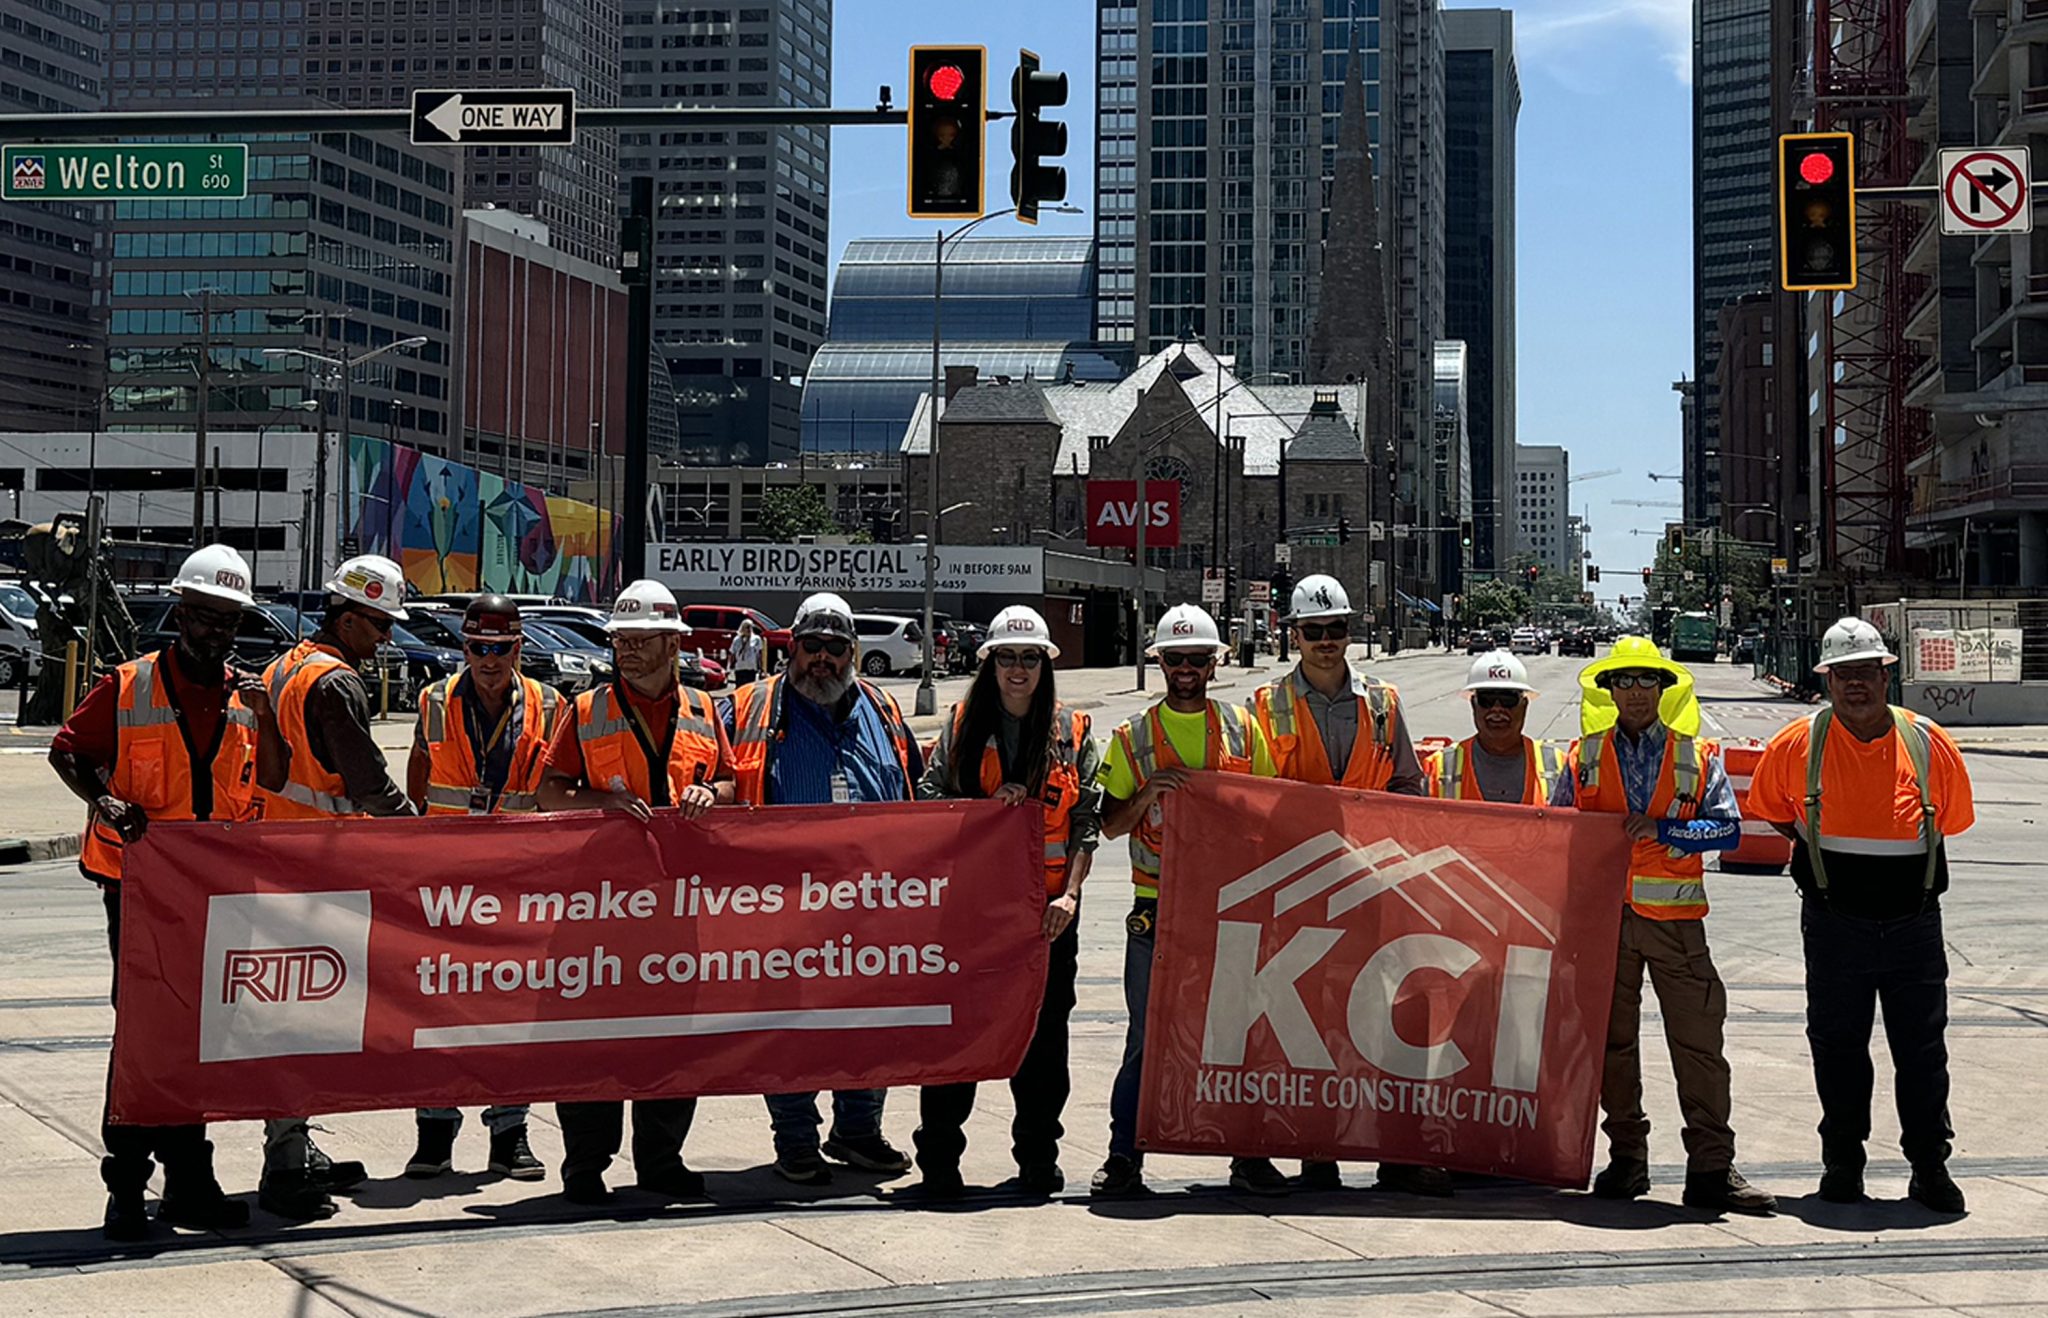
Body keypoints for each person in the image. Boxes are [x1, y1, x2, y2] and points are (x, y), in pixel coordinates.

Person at [48, 545, 270, 1240]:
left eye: (229, 622)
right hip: (137, 887)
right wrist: (104, 803)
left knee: (195, 1037)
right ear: (181, 612)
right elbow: (69, 752)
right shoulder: (127, 684)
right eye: (206, 618)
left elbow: (261, 782)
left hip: (212, 893)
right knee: (145, 1035)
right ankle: (126, 1186)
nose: (217, 632)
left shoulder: (243, 697)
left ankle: (189, 1182)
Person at [1747, 618, 1975, 1213]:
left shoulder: (1928, 742)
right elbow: (1773, 809)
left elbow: (1949, 821)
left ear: (1885, 676)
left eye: (1866, 673)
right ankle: (1842, 1164)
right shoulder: (1797, 744)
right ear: (1827, 680)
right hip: (1835, 922)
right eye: (1844, 674)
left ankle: (1930, 1167)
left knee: (1921, 1050)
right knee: (1838, 1046)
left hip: (1913, 922)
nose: (1856, 686)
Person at [1549, 636, 1775, 1214]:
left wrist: (1667, 831)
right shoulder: (1582, 758)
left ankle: (1711, 1169)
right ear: (1608, 690)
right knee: (1611, 1046)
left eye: (1647, 681)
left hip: (1676, 926)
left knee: (1699, 1045)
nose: (1635, 691)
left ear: (1664, 688)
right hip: (1603, 927)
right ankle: (1627, 1160)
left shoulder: (1697, 757)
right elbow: (1555, 834)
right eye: (1623, 681)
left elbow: (1726, 831)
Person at [1249, 575, 1445, 1198]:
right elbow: (1251, 796)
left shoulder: (1383, 703)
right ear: (1294, 635)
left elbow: (1410, 787)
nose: (1327, 642)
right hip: (1299, 892)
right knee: (1302, 1026)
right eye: (1314, 631)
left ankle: (1396, 1151)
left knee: (1383, 1023)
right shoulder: (1265, 705)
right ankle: (1315, 1152)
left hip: (1370, 888)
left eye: (1337, 629)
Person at [537, 578, 726, 1206]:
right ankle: (585, 1166)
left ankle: (661, 1162)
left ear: (674, 644)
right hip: (603, 911)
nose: (629, 654)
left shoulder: (703, 708)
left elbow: (731, 787)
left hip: (678, 910)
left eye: (643, 642)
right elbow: (549, 791)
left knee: (673, 1039)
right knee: (591, 1040)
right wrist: (603, 803)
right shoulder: (586, 709)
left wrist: (711, 795)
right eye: (622, 642)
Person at [727, 591, 922, 1185]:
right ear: (791, 647)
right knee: (788, 1032)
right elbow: (711, 785)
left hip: (871, 911)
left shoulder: (884, 711)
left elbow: (920, 791)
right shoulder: (748, 710)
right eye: (810, 646)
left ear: (853, 652)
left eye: (836, 648)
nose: (822, 659)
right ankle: (796, 1140)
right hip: (781, 912)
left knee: (870, 1026)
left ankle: (857, 1130)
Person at [1092, 603, 1282, 1199]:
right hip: (1156, 911)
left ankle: (1247, 1156)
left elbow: (1273, 809)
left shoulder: (1244, 730)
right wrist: (1148, 793)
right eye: (1175, 659)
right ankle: (1124, 1156)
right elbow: (1110, 825)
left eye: (1197, 659)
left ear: (1214, 663)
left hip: (1227, 909)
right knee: (1146, 1039)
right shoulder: (1133, 739)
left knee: (1234, 1038)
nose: (1186, 669)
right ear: (1160, 663)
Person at [912, 605, 1101, 1200]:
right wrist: (988, 809)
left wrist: (1070, 896)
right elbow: (926, 800)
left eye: (1029, 658)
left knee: (1045, 1048)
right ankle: (940, 1161)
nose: (1017, 669)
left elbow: (1086, 824)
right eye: (1006, 658)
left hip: (1047, 920)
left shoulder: (1072, 732)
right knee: (958, 1042)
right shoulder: (963, 724)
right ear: (988, 664)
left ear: (1045, 666)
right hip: (973, 919)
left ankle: (1038, 1159)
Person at [258, 552, 417, 1219]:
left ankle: (295, 1146)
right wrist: (421, 837)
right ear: (348, 617)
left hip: (275, 862)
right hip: (316, 870)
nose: (385, 639)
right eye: (378, 626)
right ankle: (286, 1163)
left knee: (290, 1011)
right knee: (304, 1020)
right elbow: (369, 786)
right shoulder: (335, 684)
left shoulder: (284, 666)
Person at [402, 594, 561, 1184]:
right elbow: (420, 782)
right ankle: (434, 1137)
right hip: (446, 883)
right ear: (463, 646)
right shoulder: (434, 700)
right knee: (438, 1008)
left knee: (510, 1014)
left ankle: (509, 1136)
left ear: (520, 647)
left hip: (516, 882)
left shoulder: (549, 704)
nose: (489, 660)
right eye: (477, 648)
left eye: (501, 649)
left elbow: (554, 787)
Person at [1424, 650, 1564, 804]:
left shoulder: (1560, 766)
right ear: (1473, 704)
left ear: (1524, 705)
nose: (1497, 709)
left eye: (1507, 699)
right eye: (1487, 699)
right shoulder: (1439, 768)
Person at [730, 616, 765, 686]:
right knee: (740, 687)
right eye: (747, 627)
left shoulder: (756, 639)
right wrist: (731, 666)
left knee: (750, 687)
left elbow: (759, 654)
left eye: (750, 627)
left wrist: (761, 668)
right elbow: (733, 653)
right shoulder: (737, 640)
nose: (749, 629)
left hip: (751, 668)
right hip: (740, 668)